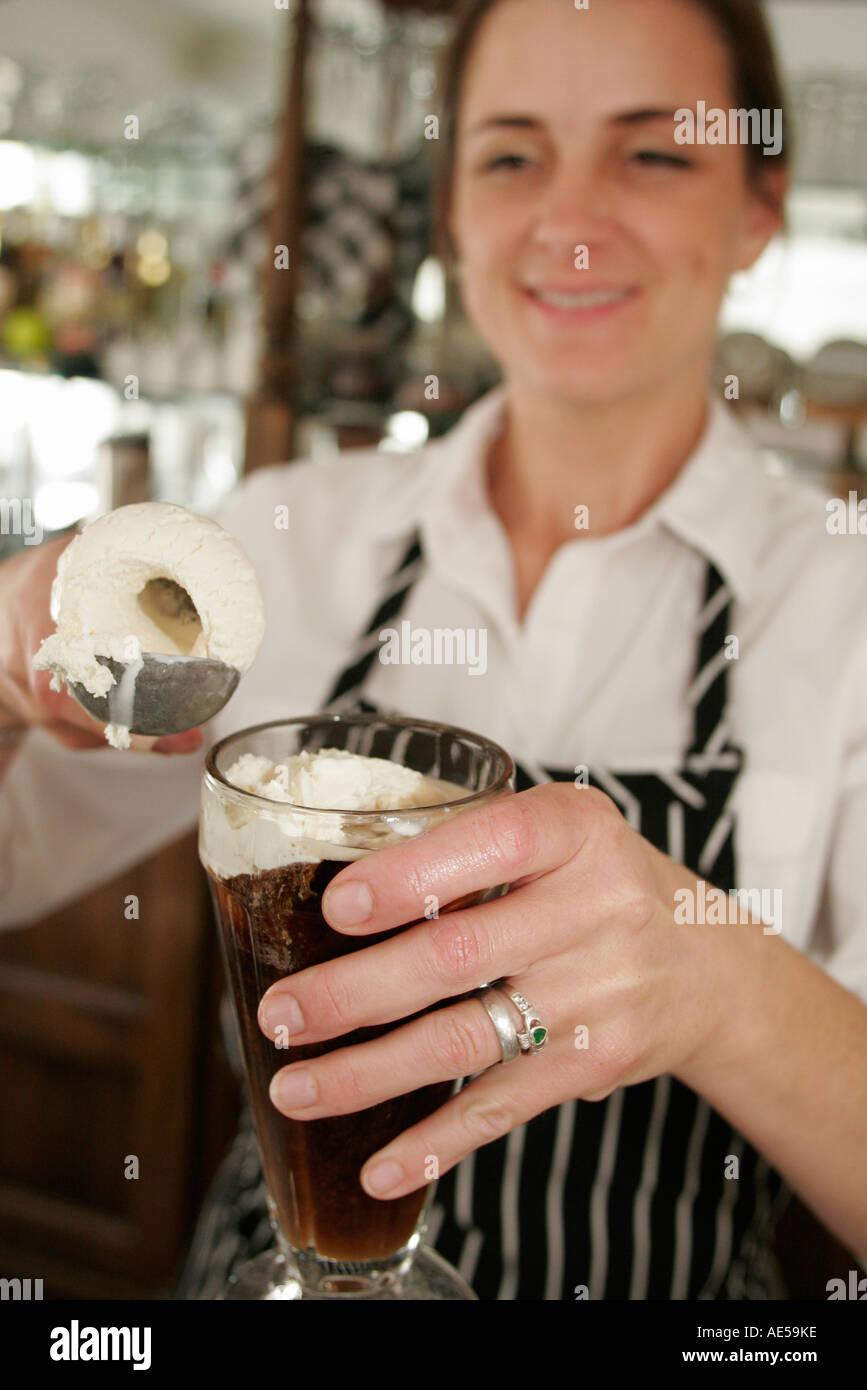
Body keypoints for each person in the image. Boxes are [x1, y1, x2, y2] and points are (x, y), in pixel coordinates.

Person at [2, 0, 866, 1301]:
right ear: (450, 211)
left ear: (759, 207)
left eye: (654, 152)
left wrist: (717, 980)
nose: (571, 218)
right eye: (511, 155)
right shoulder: (290, 540)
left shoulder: (845, 602)